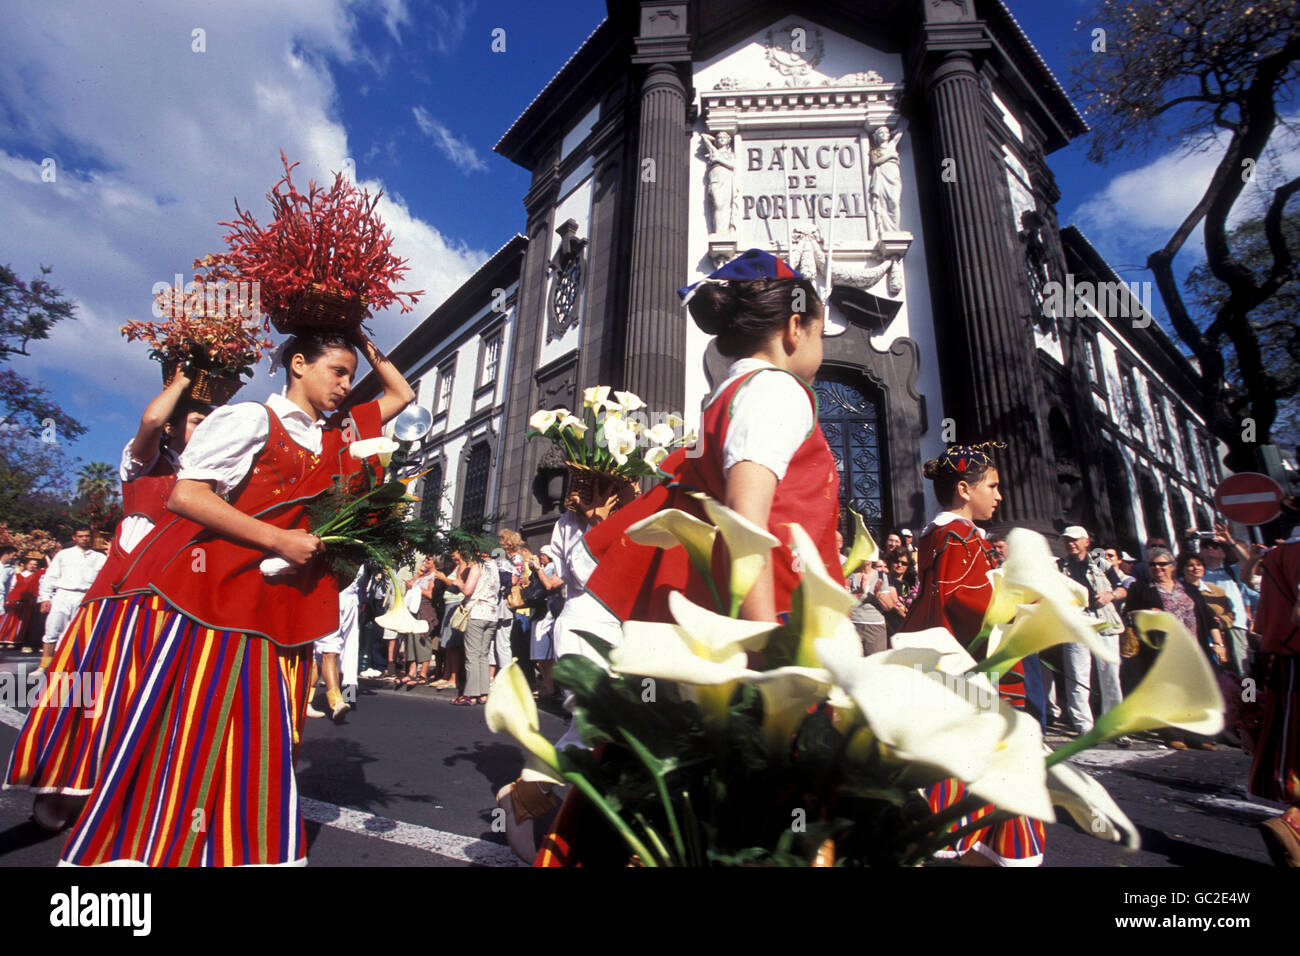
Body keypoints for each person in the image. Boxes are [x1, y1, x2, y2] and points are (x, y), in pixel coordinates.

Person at [16, 329, 414, 865]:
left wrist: (359, 334)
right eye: (336, 371)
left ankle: (234, 849)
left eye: (350, 374)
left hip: (277, 613)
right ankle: (144, 843)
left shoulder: (333, 437)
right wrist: (277, 538)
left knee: (257, 743)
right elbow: (186, 494)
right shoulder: (251, 418)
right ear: (298, 364)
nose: (346, 385)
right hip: (217, 606)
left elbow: (400, 397)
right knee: (192, 733)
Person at [582, 248, 842, 630]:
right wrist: (763, 639)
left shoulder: (735, 393)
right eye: (820, 334)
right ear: (795, 328)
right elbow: (745, 519)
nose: (822, 346)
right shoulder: (775, 389)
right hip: (783, 619)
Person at [5, 376, 212, 828]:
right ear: (174, 429)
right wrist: (183, 373)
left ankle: (120, 797)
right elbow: (153, 418)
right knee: (80, 694)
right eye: (198, 420)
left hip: (170, 606)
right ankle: (56, 785)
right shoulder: (145, 464)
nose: (206, 428)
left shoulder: (211, 482)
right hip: (114, 601)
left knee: (144, 704)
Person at [902, 441, 1044, 866]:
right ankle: (970, 847)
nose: (999, 496)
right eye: (992, 486)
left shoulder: (942, 535)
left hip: (948, 664)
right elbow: (966, 600)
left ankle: (966, 844)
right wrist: (1024, 608)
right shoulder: (957, 534)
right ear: (964, 490)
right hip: (971, 670)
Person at [1123, 546, 1225, 751]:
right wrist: (1147, 614)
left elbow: (1208, 618)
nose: (1157, 568)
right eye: (1152, 565)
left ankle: (1200, 735)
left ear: (1172, 566)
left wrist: (1219, 644)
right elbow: (1129, 615)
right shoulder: (1140, 588)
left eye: (1162, 564)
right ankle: (1172, 733)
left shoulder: (1189, 588)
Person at [1247, 521, 1300, 866]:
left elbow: (1264, 624)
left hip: (1284, 660)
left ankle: (1294, 823)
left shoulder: (1278, 555)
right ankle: (1294, 826)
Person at [1049, 526, 1127, 744]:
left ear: (1086, 541)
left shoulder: (1100, 561)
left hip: (1104, 621)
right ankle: (1085, 726)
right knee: (1078, 675)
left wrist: (1110, 596)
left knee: (1110, 673)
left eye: (1074, 540)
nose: (1070, 544)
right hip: (1076, 623)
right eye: (1066, 541)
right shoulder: (1059, 566)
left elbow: (1122, 589)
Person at [434, 547, 499, 705]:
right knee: (483, 655)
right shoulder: (494, 566)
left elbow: (468, 590)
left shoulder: (477, 565)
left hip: (477, 613)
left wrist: (458, 583)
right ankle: (483, 693)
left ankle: (470, 694)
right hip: (492, 614)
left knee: (472, 655)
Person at [35, 529, 106, 672]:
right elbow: (50, 577)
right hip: (62, 595)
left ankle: (65, 667)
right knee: (52, 630)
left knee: (75, 633)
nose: (84, 539)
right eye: (81, 536)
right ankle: (43, 666)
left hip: (85, 598)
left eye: (87, 536)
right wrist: (45, 598)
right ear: (74, 537)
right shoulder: (63, 554)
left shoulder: (100, 557)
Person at [1196, 528, 1261, 679]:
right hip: (1209, 630)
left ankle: (1249, 700)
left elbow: (1248, 562)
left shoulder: (1232, 571)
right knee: (1215, 672)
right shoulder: (1195, 572)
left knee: (1244, 670)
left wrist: (1230, 541)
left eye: (1215, 546)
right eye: (1205, 546)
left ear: (1223, 553)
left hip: (1235, 626)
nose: (1210, 549)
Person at [0, 557, 44, 649]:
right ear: (25, 565)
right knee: (8, 620)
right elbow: (11, 587)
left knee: (22, 622)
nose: (32, 566)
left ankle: (15, 640)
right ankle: (3, 638)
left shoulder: (38, 575)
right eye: (30, 564)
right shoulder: (18, 575)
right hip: (14, 601)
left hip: (28, 602)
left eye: (35, 564)